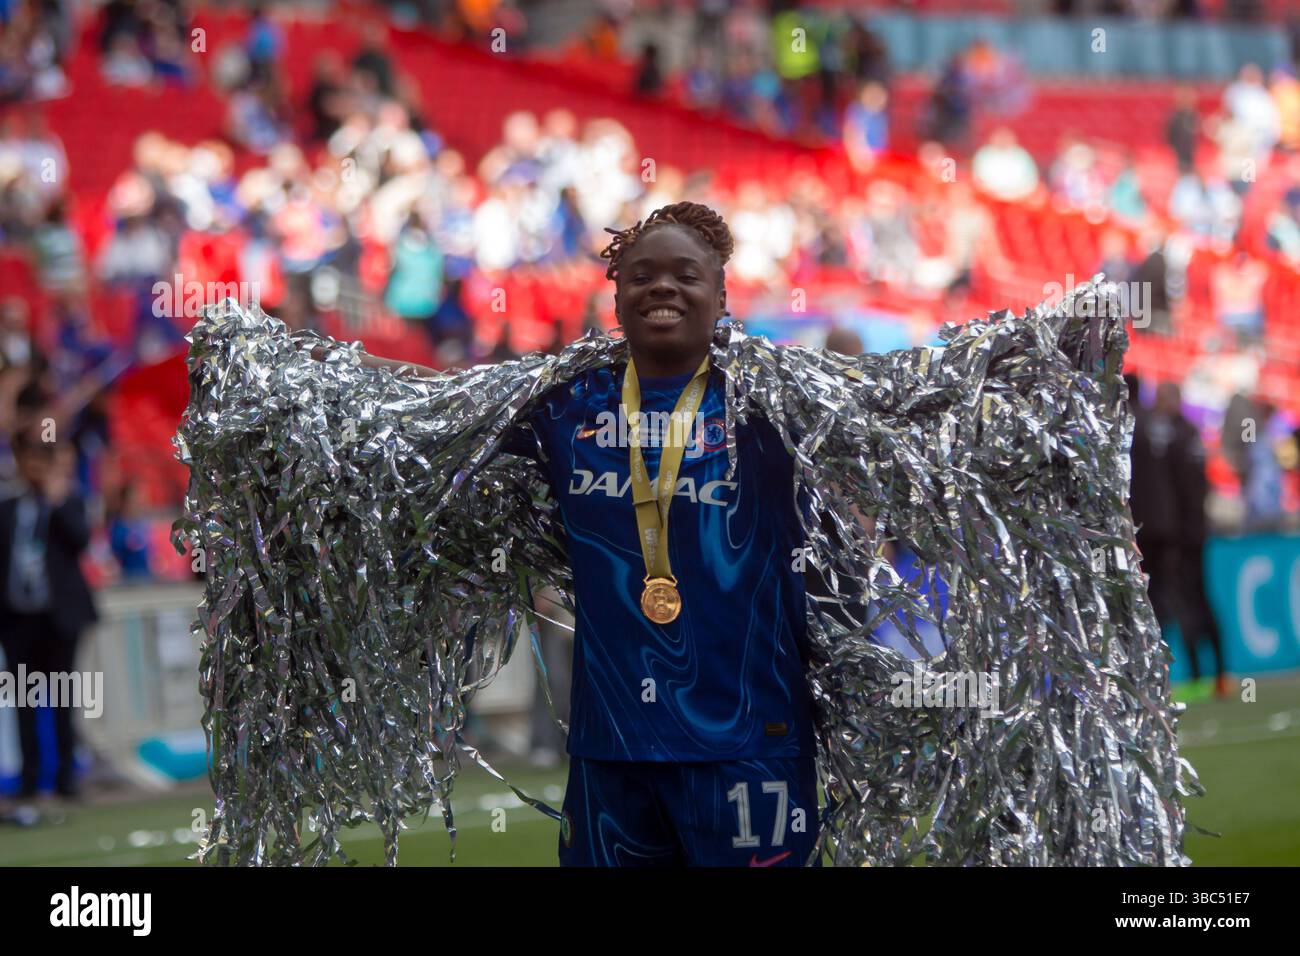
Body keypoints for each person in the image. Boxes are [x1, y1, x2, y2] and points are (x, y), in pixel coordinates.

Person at [311, 203, 821, 866]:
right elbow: (423, 416)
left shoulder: (776, 407)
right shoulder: (565, 404)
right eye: (641, 276)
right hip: (613, 745)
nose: (661, 287)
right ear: (615, 295)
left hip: (751, 739)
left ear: (721, 295)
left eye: (684, 275)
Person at [0, 424, 98, 799]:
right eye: (29, 459)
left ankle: (66, 779)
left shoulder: (67, 502)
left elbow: (81, 542)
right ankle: (29, 780)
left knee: (62, 697)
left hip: (58, 617)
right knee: (23, 700)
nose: (35, 467)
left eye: (42, 460)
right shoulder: (8, 509)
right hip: (17, 619)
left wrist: (57, 501)